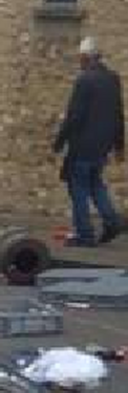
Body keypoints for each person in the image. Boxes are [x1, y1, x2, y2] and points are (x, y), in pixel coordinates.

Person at [53, 37, 125, 246]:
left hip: (82, 145)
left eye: (80, 58)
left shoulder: (84, 80)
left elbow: (74, 116)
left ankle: (85, 234)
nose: (79, 62)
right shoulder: (113, 78)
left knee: (78, 189)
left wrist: (59, 142)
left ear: (85, 57)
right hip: (102, 146)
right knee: (96, 184)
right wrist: (120, 146)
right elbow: (118, 114)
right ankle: (112, 222)